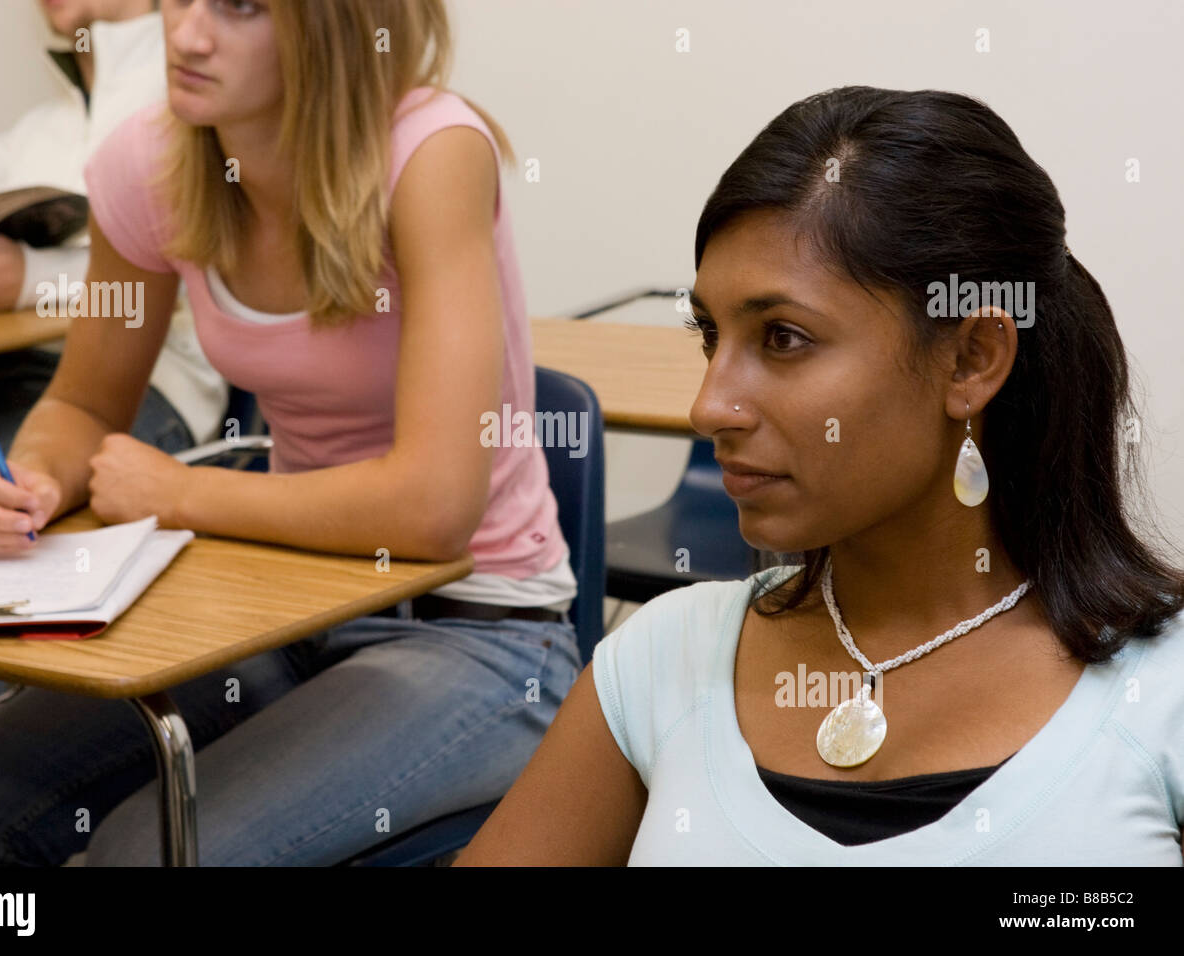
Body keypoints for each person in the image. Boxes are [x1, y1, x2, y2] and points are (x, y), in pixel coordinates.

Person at [0, 0, 580, 867]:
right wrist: (32, 479)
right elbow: (85, 408)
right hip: (284, 613)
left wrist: (181, 493)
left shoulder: (434, 154)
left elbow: (434, 508)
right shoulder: (146, 160)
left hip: (477, 638)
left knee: (145, 855)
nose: (188, 32)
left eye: (240, 7)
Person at [455, 86, 1184, 866]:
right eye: (710, 335)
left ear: (971, 358)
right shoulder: (664, 658)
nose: (709, 408)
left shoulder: (1162, 693)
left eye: (783, 338)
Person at [0, 0, 227, 833]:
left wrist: (33, 276)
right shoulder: (44, 126)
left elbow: (162, 278)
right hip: (23, 391)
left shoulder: (190, 98)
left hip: (148, 397)